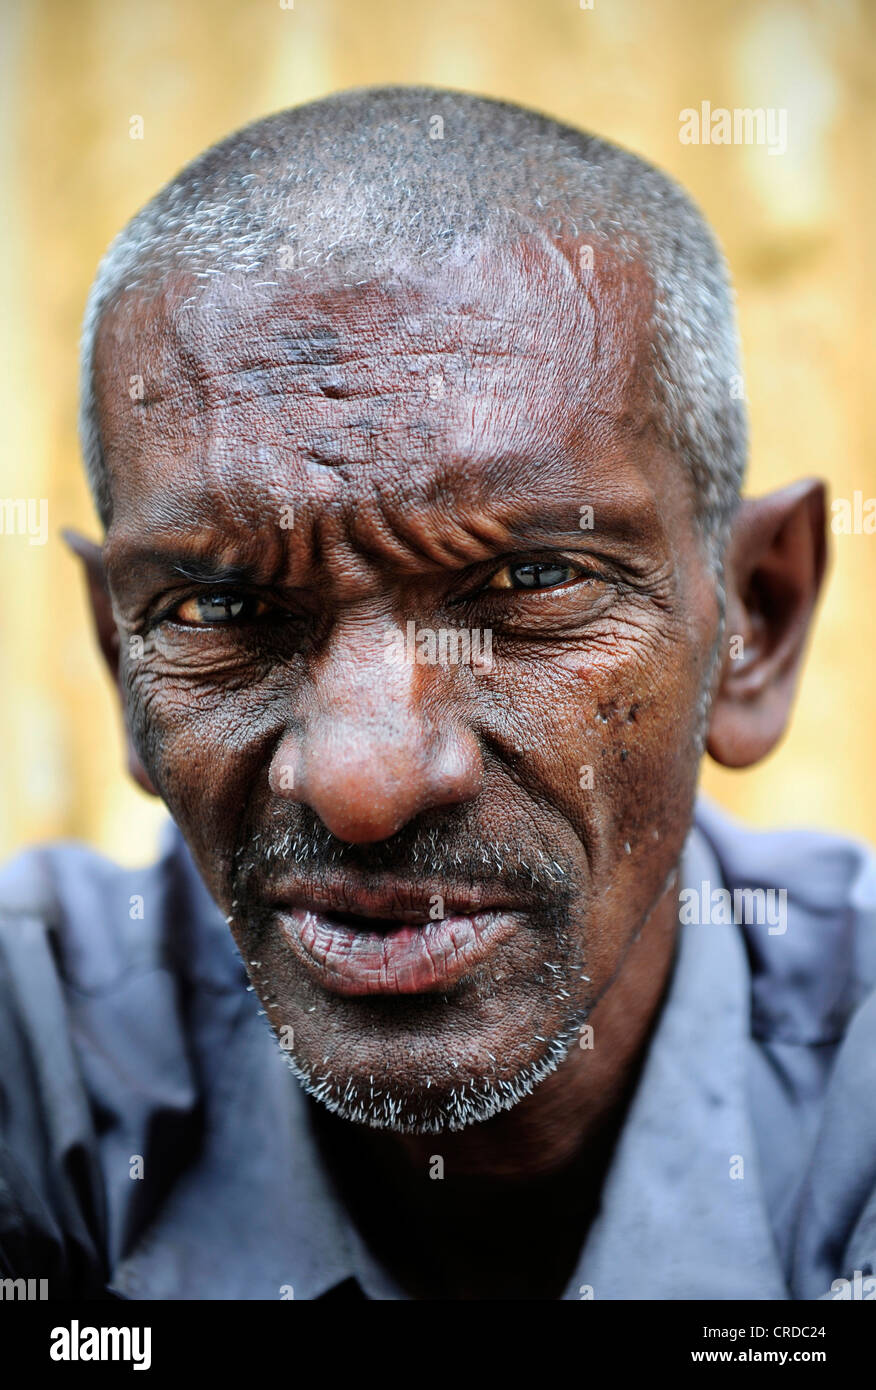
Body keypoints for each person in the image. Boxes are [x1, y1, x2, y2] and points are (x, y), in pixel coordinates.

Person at [2, 87, 874, 1301]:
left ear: (757, 625)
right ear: (123, 669)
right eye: (217, 608)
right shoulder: (38, 1047)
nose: (367, 782)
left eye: (531, 579)